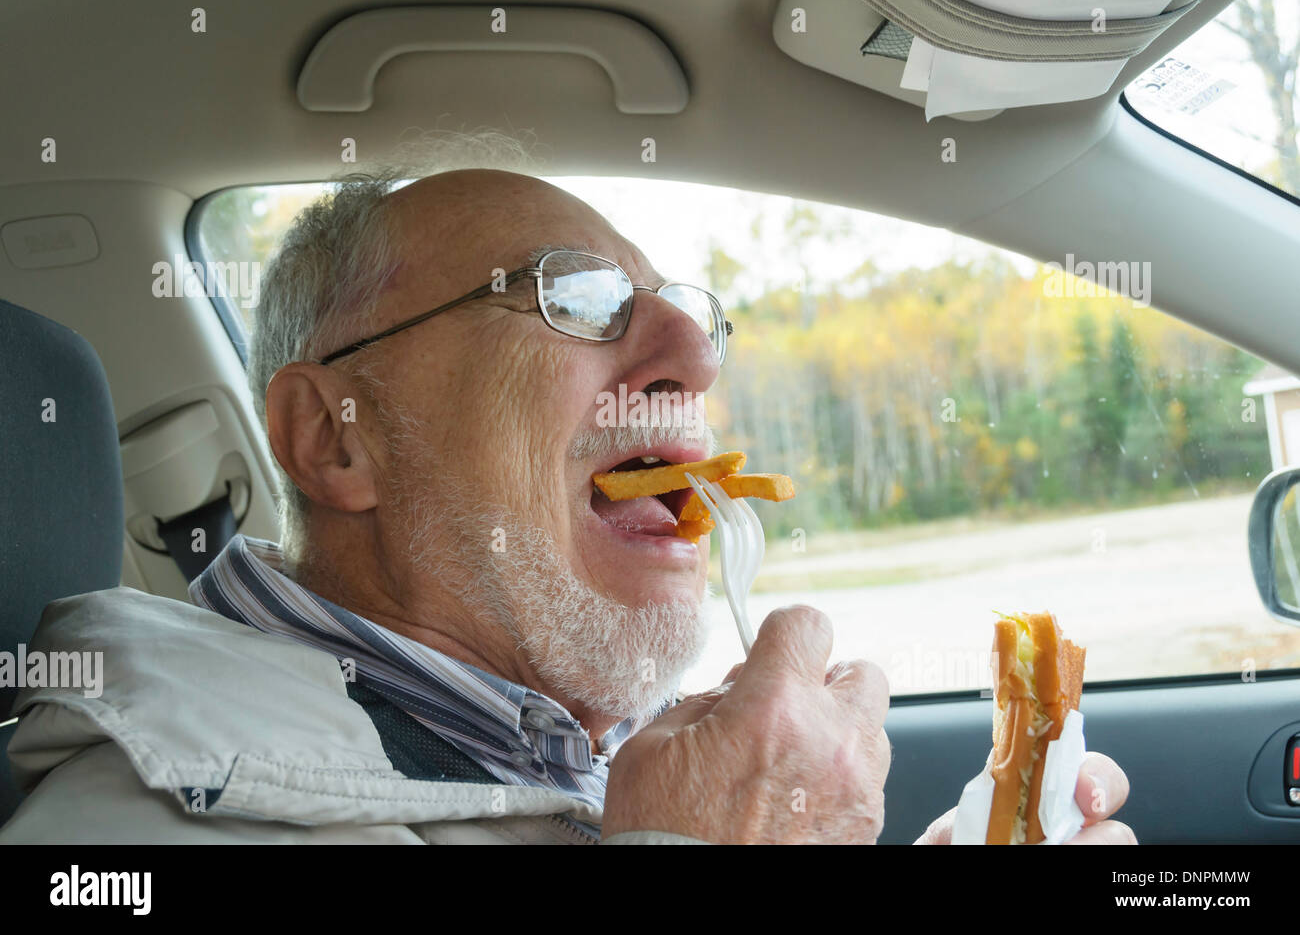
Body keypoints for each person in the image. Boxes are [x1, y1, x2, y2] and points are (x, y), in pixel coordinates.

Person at [1, 135, 1133, 844]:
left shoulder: (566, 748)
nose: (695, 349)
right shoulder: (135, 827)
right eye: (578, 296)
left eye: (695, 312)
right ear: (336, 437)